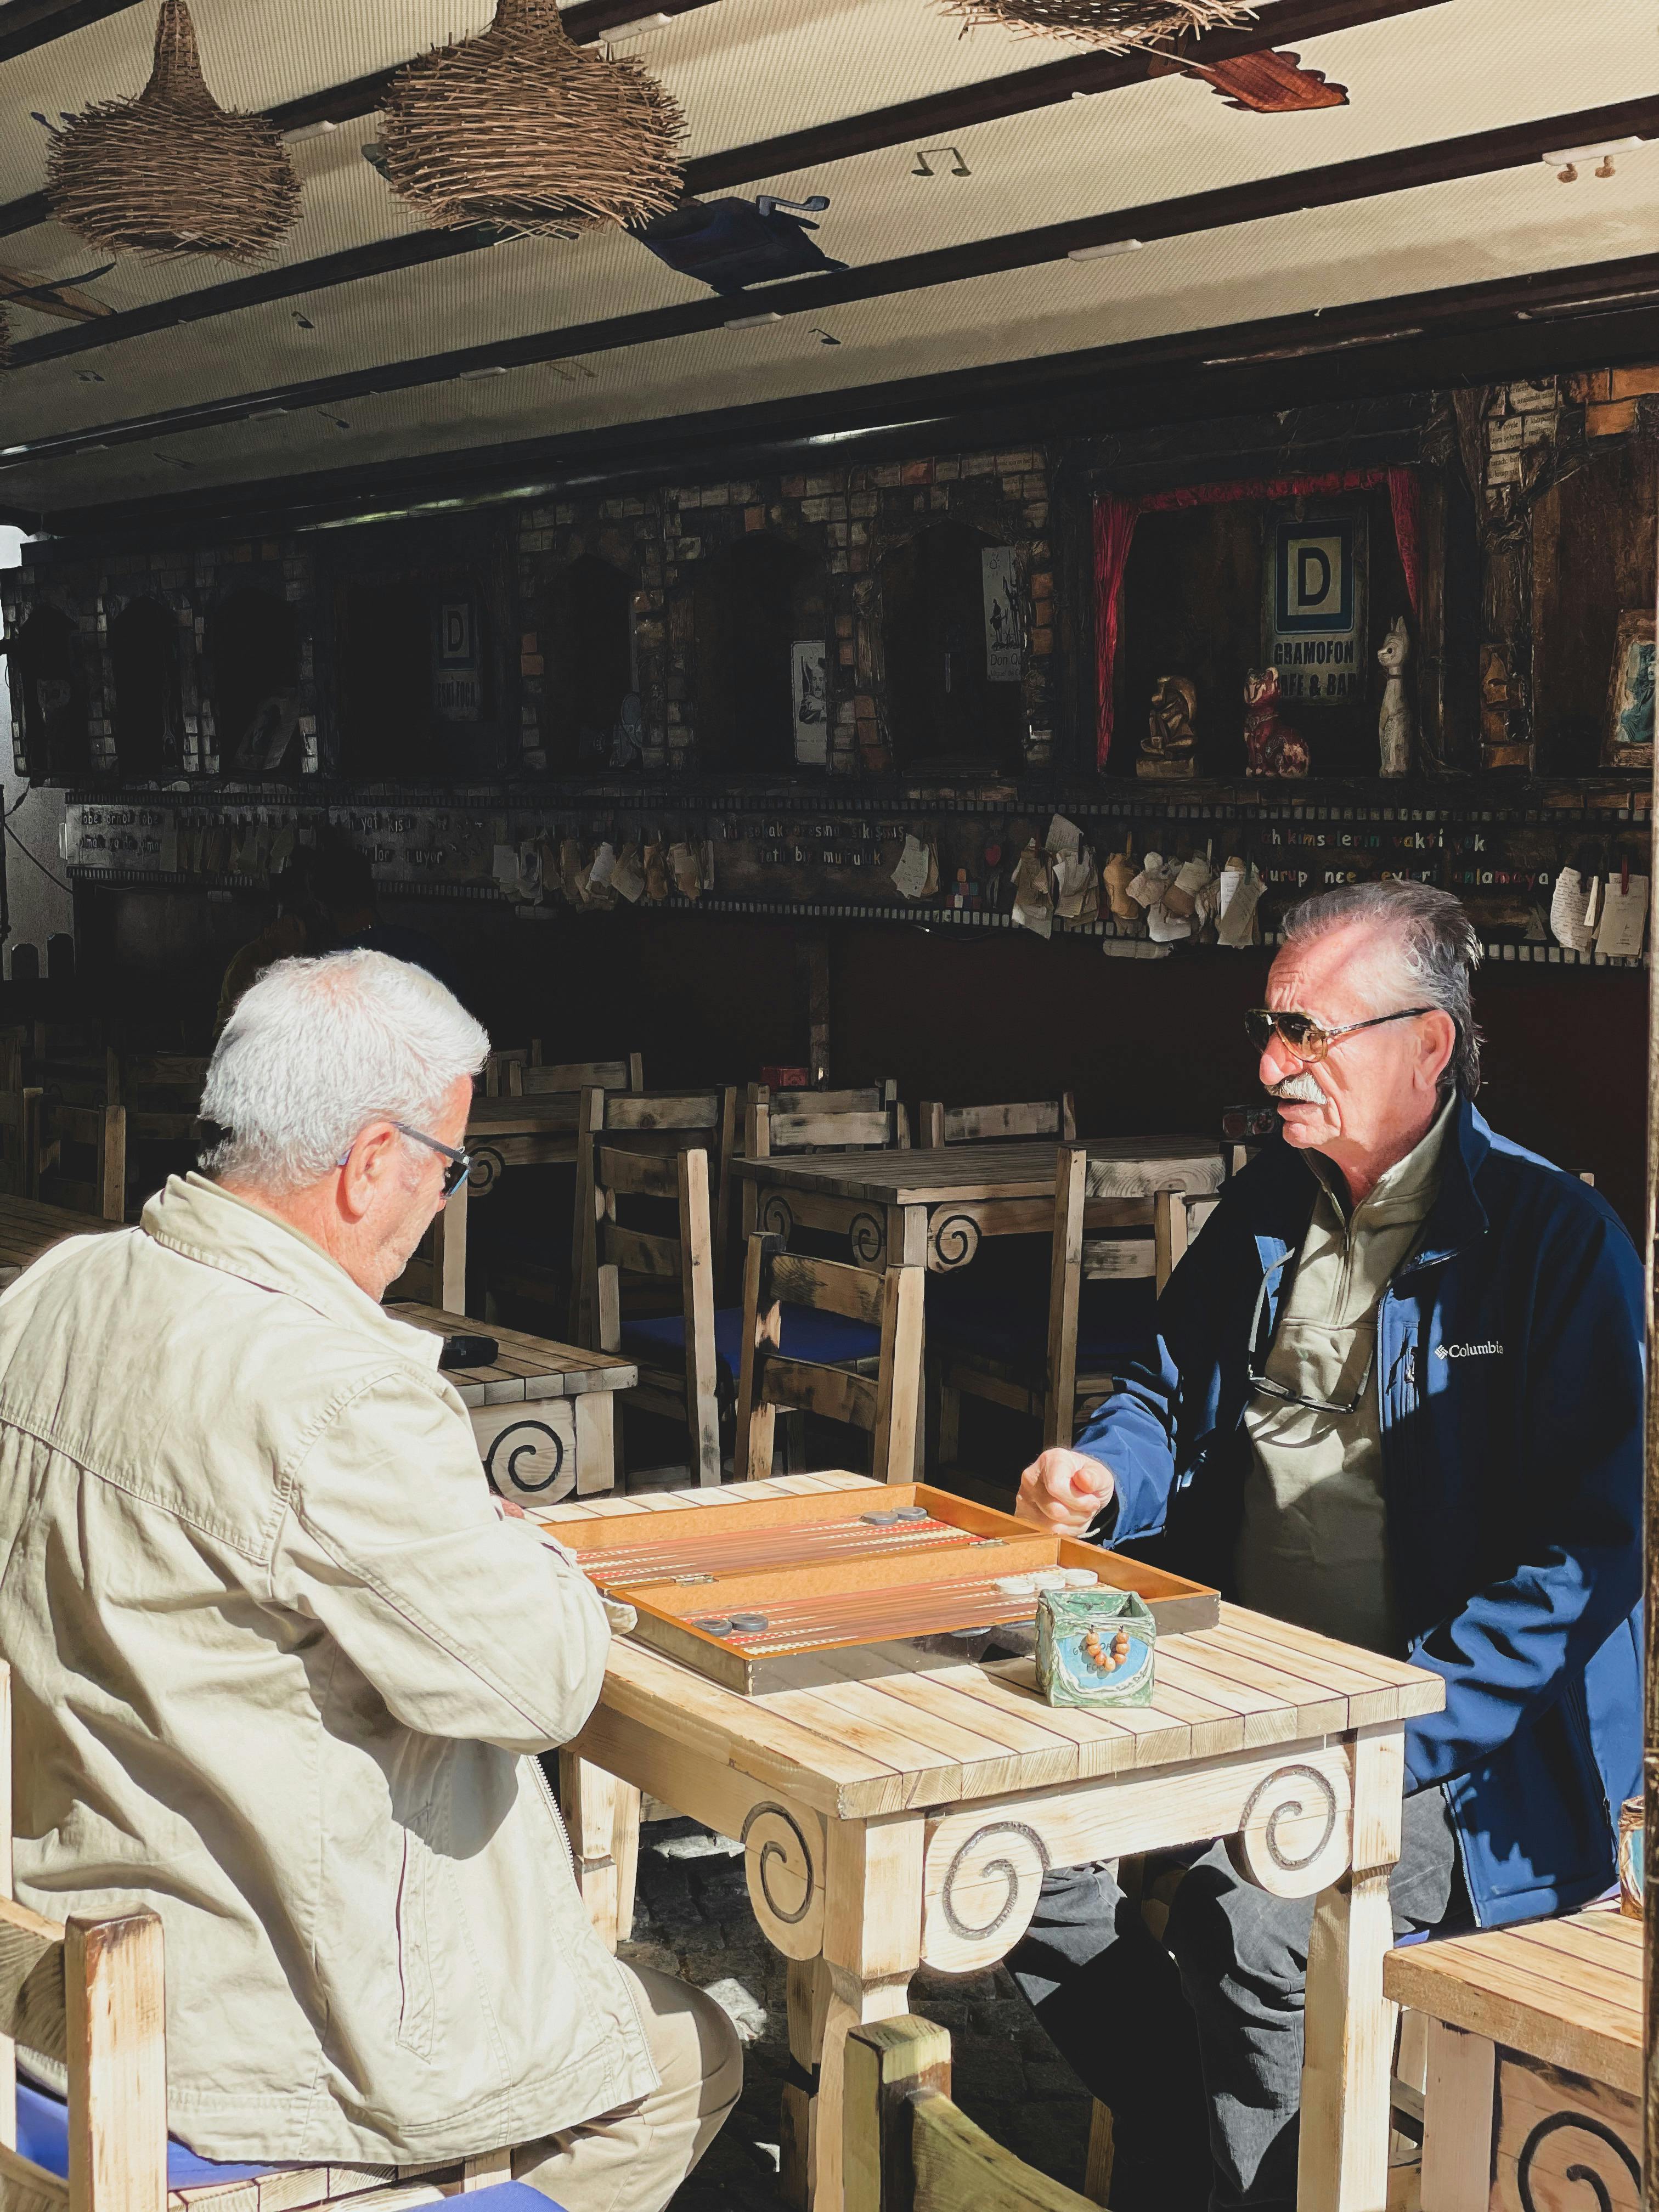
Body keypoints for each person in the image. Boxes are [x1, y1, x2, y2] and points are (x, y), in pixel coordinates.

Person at [0, 950, 740, 2209]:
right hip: (263, 2058)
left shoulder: (52, 1295)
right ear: (368, 1164)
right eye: (450, 1167)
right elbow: (545, 1680)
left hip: (50, 1985)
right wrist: (520, 1544)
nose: (444, 1199)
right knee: (697, 2057)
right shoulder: (341, 1395)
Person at [1012, 881, 1643, 2212]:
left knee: (1253, 1922)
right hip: (1246, 1696)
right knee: (1013, 1860)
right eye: (1268, 1027)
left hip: (1464, 1764)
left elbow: (1582, 1563)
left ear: (1429, 1045)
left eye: (1309, 1035)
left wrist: (1391, 1729)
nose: (1267, 1067)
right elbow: (1163, 1397)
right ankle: (1209, 2166)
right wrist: (1100, 1474)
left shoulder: (1550, 1243)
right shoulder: (1266, 1209)